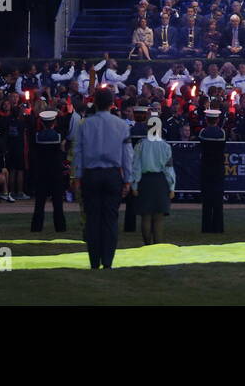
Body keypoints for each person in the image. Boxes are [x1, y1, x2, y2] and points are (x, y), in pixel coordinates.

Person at [72, 88, 133, 270]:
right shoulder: (122, 125)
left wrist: (77, 177)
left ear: (95, 103)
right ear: (112, 103)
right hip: (112, 174)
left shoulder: (85, 124)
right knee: (110, 219)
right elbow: (127, 155)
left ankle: (94, 261)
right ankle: (107, 261)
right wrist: (128, 179)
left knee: (92, 219)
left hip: (91, 174)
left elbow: (78, 152)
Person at [130, 121, 175, 246]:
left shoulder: (140, 145)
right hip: (160, 181)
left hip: (144, 181)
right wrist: (172, 187)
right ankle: (157, 246)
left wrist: (134, 184)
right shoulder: (165, 146)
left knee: (146, 216)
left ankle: (147, 245)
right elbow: (169, 169)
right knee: (158, 218)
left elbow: (136, 166)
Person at [30, 110, 67, 233]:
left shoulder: (37, 136)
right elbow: (61, 153)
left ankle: (36, 227)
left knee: (39, 203)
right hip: (55, 172)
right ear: (54, 122)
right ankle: (60, 227)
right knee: (57, 203)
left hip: (41, 172)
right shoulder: (58, 136)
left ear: (42, 122)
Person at [199, 108, 226, 234]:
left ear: (207, 119)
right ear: (217, 120)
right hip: (218, 169)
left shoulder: (203, 132)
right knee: (218, 199)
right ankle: (218, 226)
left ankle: (206, 227)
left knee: (207, 199)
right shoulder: (221, 133)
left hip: (206, 168)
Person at [124, 106, 150, 234]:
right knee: (147, 196)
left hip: (132, 164)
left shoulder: (130, 130)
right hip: (145, 165)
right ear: (145, 116)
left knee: (131, 199)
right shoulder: (149, 132)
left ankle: (129, 225)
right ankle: (148, 225)